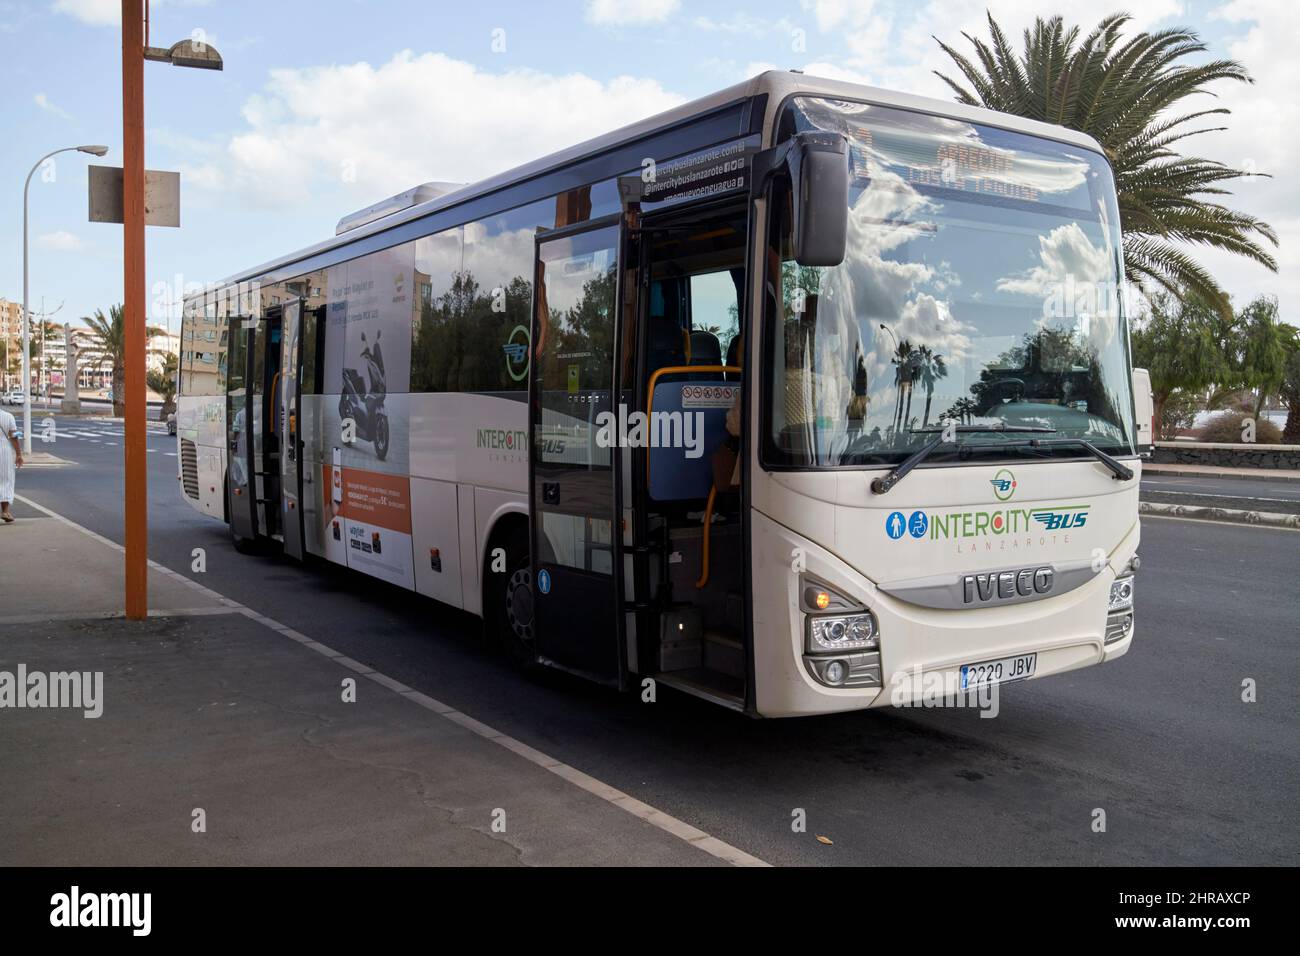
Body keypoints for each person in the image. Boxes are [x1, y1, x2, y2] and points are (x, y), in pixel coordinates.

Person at [0, 405, 22, 523]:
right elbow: (15, 436)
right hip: (4, 451)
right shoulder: (8, 416)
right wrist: (19, 454)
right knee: (6, 480)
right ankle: (5, 511)